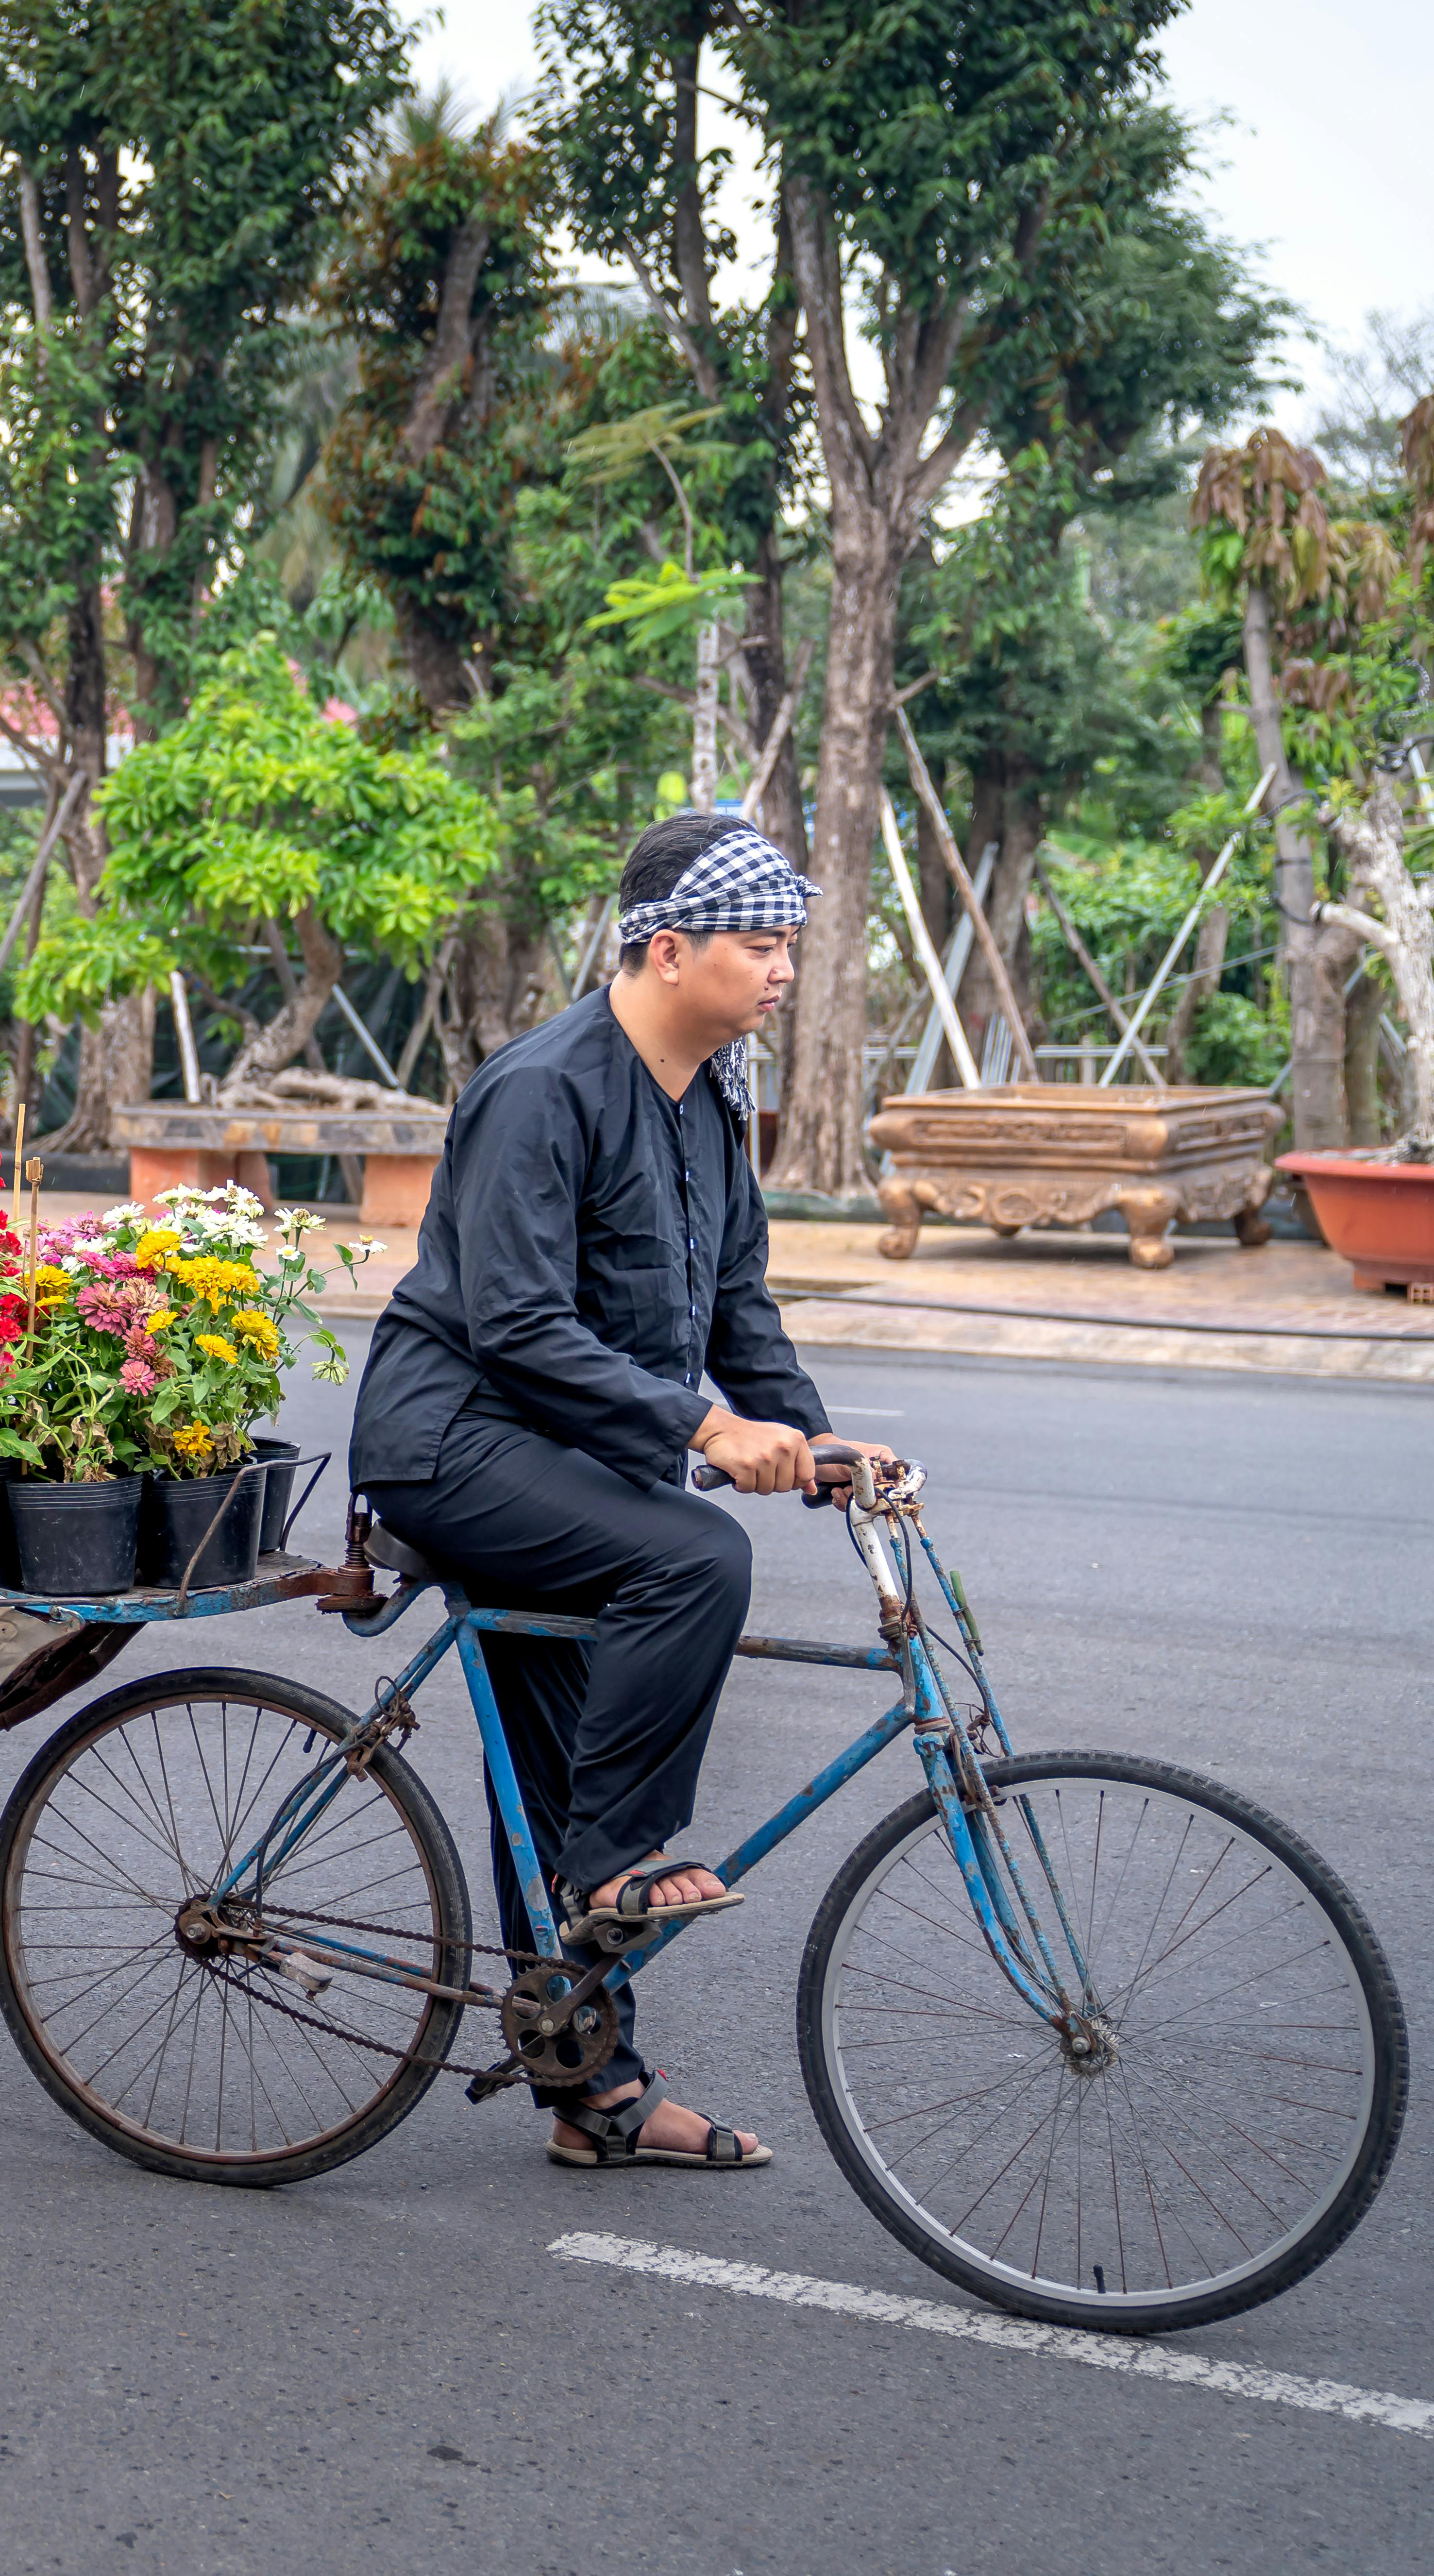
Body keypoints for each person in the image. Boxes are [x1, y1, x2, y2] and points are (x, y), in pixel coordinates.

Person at [348, 816, 887, 2173]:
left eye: (785, 947)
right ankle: (621, 1861)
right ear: (667, 949)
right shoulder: (545, 1088)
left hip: (575, 1466)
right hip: (457, 1442)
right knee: (696, 1561)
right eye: (759, 945)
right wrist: (711, 1430)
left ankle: (597, 2095)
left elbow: (739, 1307)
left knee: (554, 1778)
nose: (781, 971)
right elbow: (520, 1323)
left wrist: (820, 1447)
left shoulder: (713, 1097)